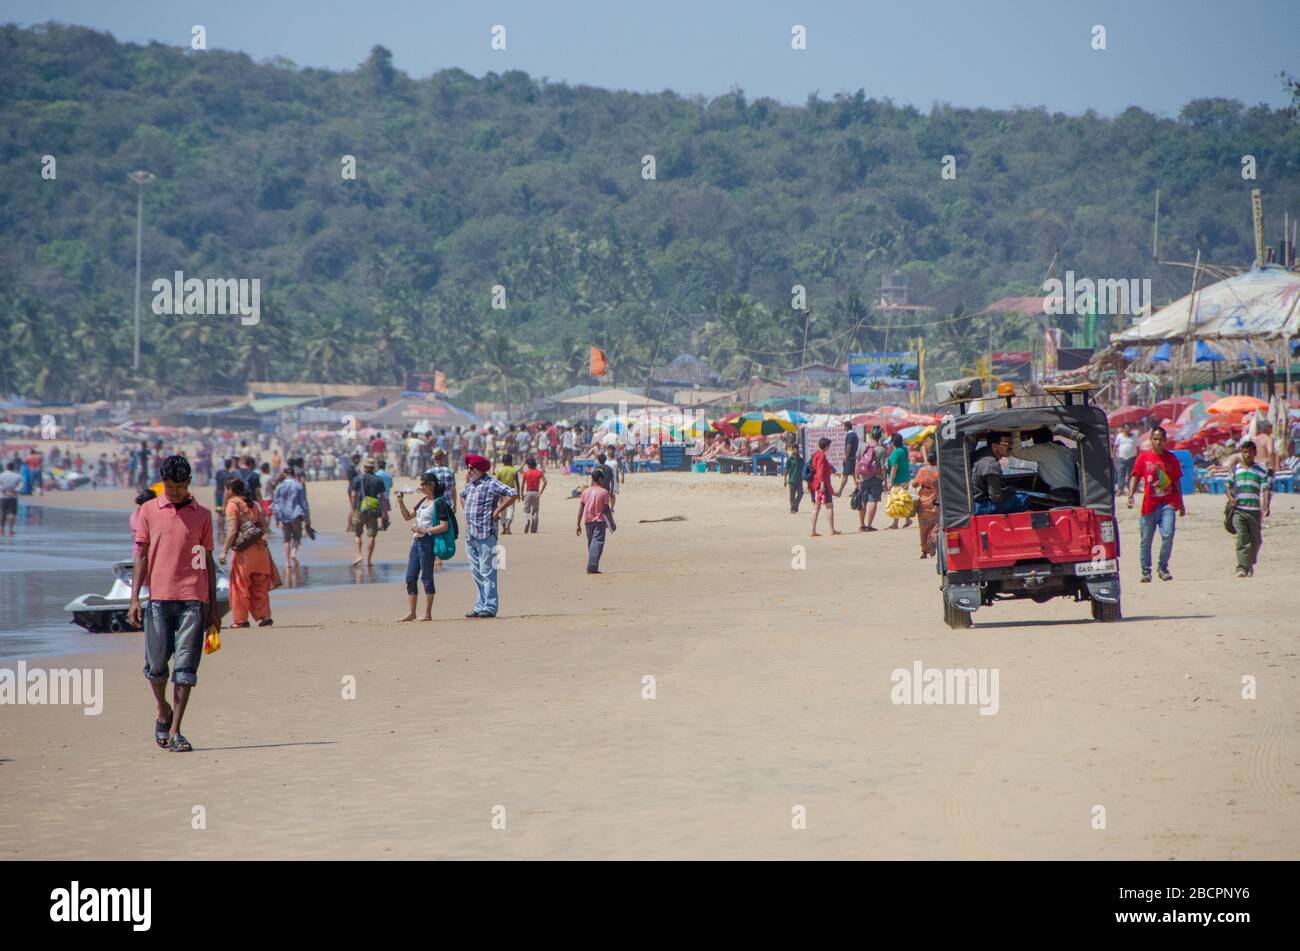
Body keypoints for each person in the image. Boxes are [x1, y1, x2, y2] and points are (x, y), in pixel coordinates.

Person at [128, 455, 218, 753]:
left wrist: (213, 608)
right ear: (162, 482)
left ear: (188, 483)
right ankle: (163, 710)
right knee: (156, 668)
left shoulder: (202, 515)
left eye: (179, 486)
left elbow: (207, 559)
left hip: (193, 599)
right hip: (158, 600)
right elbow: (140, 556)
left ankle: (177, 730)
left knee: (185, 669)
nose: (175, 491)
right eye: (170, 486)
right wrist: (134, 599)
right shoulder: (148, 511)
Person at [459, 454, 516, 618]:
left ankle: (490, 606)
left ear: (480, 469)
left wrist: (498, 510)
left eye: (471, 468)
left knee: (488, 571)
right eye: (468, 468)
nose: (469, 471)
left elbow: (512, 493)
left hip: (486, 533)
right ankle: (480, 605)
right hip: (470, 534)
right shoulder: (471, 485)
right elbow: (462, 496)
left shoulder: (491, 483)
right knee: (475, 572)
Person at [1127, 425, 1184, 583]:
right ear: (1151, 440)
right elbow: (1135, 476)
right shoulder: (1144, 458)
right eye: (1155, 439)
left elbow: (1177, 481)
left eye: (1161, 439)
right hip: (1149, 505)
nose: (1158, 442)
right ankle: (1146, 571)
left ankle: (1162, 567)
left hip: (1168, 504)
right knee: (1146, 540)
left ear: (1165, 440)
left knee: (1168, 534)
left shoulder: (1171, 458)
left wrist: (1181, 504)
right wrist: (1130, 495)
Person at [220, 473, 276, 628]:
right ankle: (265, 616)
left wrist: (224, 551)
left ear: (230, 489)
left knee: (239, 586)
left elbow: (232, 531)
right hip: (261, 552)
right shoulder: (255, 504)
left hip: (244, 554)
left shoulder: (232, 505)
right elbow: (264, 525)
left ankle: (240, 620)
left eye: (225, 489)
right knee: (260, 586)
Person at [395, 473, 451, 621]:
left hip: (427, 541)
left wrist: (425, 530)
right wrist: (400, 501)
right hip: (416, 542)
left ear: (431, 484)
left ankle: (427, 613)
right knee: (410, 577)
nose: (421, 487)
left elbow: (444, 526)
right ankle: (412, 612)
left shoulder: (439, 503)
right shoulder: (423, 500)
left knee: (426, 576)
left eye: (423, 484)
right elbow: (408, 516)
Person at [1227, 439, 1271, 578]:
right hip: (1239, 510)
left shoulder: (1261, 470)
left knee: (1256, 540)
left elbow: (1265, 489)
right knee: (1242, 538)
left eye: (1250, 452)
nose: (1247, 455)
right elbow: (1227, 486)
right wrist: (1231, 499)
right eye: (1245, 452)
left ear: (1255, 453)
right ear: (1241, 453)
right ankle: (1241, 567)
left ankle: (1249, 562)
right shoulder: (1235, 470)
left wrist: (1266, 505)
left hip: (1254, 511)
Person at [972, 432, 1030, 515]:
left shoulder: (981, 454)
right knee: (1023, 498)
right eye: (1006, 444)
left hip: (972, 504)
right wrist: (1009, 491)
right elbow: (996, 497)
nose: (1010, 446)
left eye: (1011, 443)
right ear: (994, 446)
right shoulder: (992, 464)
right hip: (980, 506)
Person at [1012, 427, 1079, 496]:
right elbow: (1081, 452)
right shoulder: (1065, 450)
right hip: (1076, 492)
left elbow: (1017, 452)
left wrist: (1015, 433)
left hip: (1060, 493)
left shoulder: (1042, 449)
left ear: (1035, 438)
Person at [576, 467, 614, 573]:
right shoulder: (604, 492)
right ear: (600, 480)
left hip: (587, 521)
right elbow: (606, 509)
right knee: (597, 542)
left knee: (592, 543)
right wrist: (612, 522)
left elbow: (581, 508)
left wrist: (578, 524)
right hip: (599, 521)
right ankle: (592, 566)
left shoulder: (585, 492)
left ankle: (593, 564)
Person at [349, 456, 385, 567]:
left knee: (357, 534)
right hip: (373, 509)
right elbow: (383, 498)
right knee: (371, 536)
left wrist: (353, 508)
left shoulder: (356, 479)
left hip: (359, 509)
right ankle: (368, 561)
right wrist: (384, 513)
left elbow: (353, 495)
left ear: (364, 467)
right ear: (373, 468)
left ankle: (359, 555)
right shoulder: (378, 480)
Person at [272, 466, 311, 565]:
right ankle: (293, 553)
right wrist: (307, 518)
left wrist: (276, 518)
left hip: (283, 515)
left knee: (286, 539)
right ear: (294, 474)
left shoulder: (279, 486)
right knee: (297, 537)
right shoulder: (298, 485)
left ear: (284, 474)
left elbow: (276, 503)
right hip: (296, 514)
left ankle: (287, 562)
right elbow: (304, 503)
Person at [855, 428, 886, 531]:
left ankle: (861, 524)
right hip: (876, 477)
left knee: (863, 500)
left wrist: (856, 477)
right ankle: (869, 525)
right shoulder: (881, 449)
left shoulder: (862, 446)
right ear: (880, 437)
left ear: (871, 436)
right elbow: (882, 467)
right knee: (873, 500)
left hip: (863, 477)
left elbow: (857, 463)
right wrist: (885, 481)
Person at [809, 437, 840, 536]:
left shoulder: (816, 454)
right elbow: (820, 471)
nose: (829, 448)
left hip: (816, 483)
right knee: (829, 507)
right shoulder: (821, 455)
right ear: (826, 446)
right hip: (822, 484)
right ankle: (832, 530)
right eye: (828, 446)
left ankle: (813, 530)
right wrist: (822, 484)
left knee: (816, 508)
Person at [911, 450, 940, 558]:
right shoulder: (939, 470)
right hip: (936, 501)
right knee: (935, 526)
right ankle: (933, 545)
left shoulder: (922, 470)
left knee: (923, 528)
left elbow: (914, 484)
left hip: (923, 503)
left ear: (928, 460)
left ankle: (924, 550)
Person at [884, 432, 913, 529]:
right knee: (902, 500)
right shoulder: (904, 450)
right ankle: (907, 520)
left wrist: (890, 482)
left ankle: (896, 523)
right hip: (905, 478)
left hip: (898, 479)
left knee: (896, 501)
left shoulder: (896, 453)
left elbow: (894, 469)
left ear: (893, 442)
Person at [520, 457, 547, 532]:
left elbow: (522, 485)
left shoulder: (526, 473)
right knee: (535, 510)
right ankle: (534, 529)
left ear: (528, 465)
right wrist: (541, 492)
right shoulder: (539, 472)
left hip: (528, 492)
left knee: (526, 510)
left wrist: (522, 494)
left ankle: (527, 520)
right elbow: (545, 482)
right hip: (536, 493)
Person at [495, 453, 519, 534]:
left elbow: (496, 483)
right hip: (511, 492)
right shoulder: (514, 470)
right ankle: (508, 525)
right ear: (511, 461)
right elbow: (517, 483)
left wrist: (495, 495)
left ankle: (504, 528)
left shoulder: (499, 470)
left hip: (502, 492)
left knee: (502, 509)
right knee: (510, 509)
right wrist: (518, 494)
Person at [1113, 423, 1139, 493]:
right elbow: (1115, 446)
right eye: (1126, 428)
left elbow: (1137, 447)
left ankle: (1130, 488)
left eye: (1129, 428)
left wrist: (1137, 457)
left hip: (1132, 458)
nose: (1128, 429)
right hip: (1121, 457)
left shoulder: (1134, 436)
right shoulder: (1119, 436)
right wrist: (1114, 455)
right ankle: (1120, 489)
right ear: (1123, 429)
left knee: (1131, 474)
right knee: (1121, 474)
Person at [837, 421, 859, 498]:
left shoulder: (850, 435)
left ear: (846, 427)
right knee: (854, 475)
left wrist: (846, 457)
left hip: (850, 458)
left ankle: (839, 491)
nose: (843, 428)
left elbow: (849, 447)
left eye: (844, 426)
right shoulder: (855, 434)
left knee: (845, 476)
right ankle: (858, 490)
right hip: (854, 458)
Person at [0, 460, 20, 534]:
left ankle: (1, 529)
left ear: (6, 467)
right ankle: (10, 530)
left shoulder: (1, 475)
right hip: (13, 497)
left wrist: (4, 491)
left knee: (2, 512)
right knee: (12, 513)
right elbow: (20, 486)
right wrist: (14, 491)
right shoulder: (17, 476)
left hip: (3, 496)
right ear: (13, 468)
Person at [783, 444, 804, 514]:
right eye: (794, 449)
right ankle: (793, 509)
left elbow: (803, 469)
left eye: (797, 449)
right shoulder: (789, 459)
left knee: (801, 493)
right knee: (792, 495)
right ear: (792, 450)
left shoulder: (801, 459)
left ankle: (795, 505)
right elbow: (786, 470)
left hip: (799, 480)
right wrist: (785, 480)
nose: (796, 450)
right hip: (792, 480)